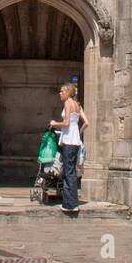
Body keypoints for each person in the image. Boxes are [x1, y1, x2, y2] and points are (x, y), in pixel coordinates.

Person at [48, 83, 88, 214]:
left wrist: (54, 124)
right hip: (75, 141)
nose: (60, 93)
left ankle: (70, 204)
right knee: (71, 171)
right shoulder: (78, 105)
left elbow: (65, 123)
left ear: (68, 92)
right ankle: (72, 202)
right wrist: (78, 133)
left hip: (69, 142)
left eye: (62, 91)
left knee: (68, 172)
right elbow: (86, 123)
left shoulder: (68, 103)